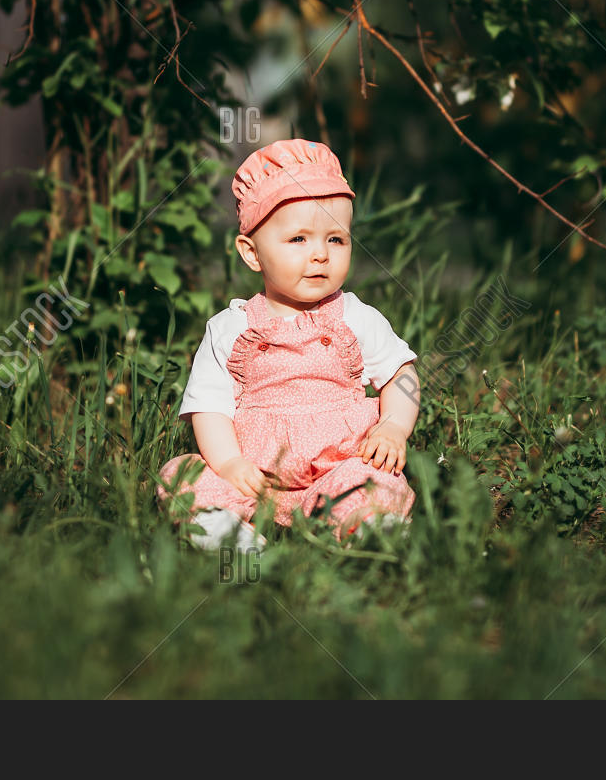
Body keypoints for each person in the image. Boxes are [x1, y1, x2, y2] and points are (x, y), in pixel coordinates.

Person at [159, 138, 420, 551]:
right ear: (251, 253)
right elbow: (208, 407)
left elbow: (400, 374)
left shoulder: (355, 317)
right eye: (299, 239)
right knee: (183, 474)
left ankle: (367, 526)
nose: (320, 255)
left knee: (369, 480)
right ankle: (227, 530)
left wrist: (393, 426)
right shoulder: (231, 329)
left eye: (336, 239)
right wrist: (228, 462)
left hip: (339, 465)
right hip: (254, 476)